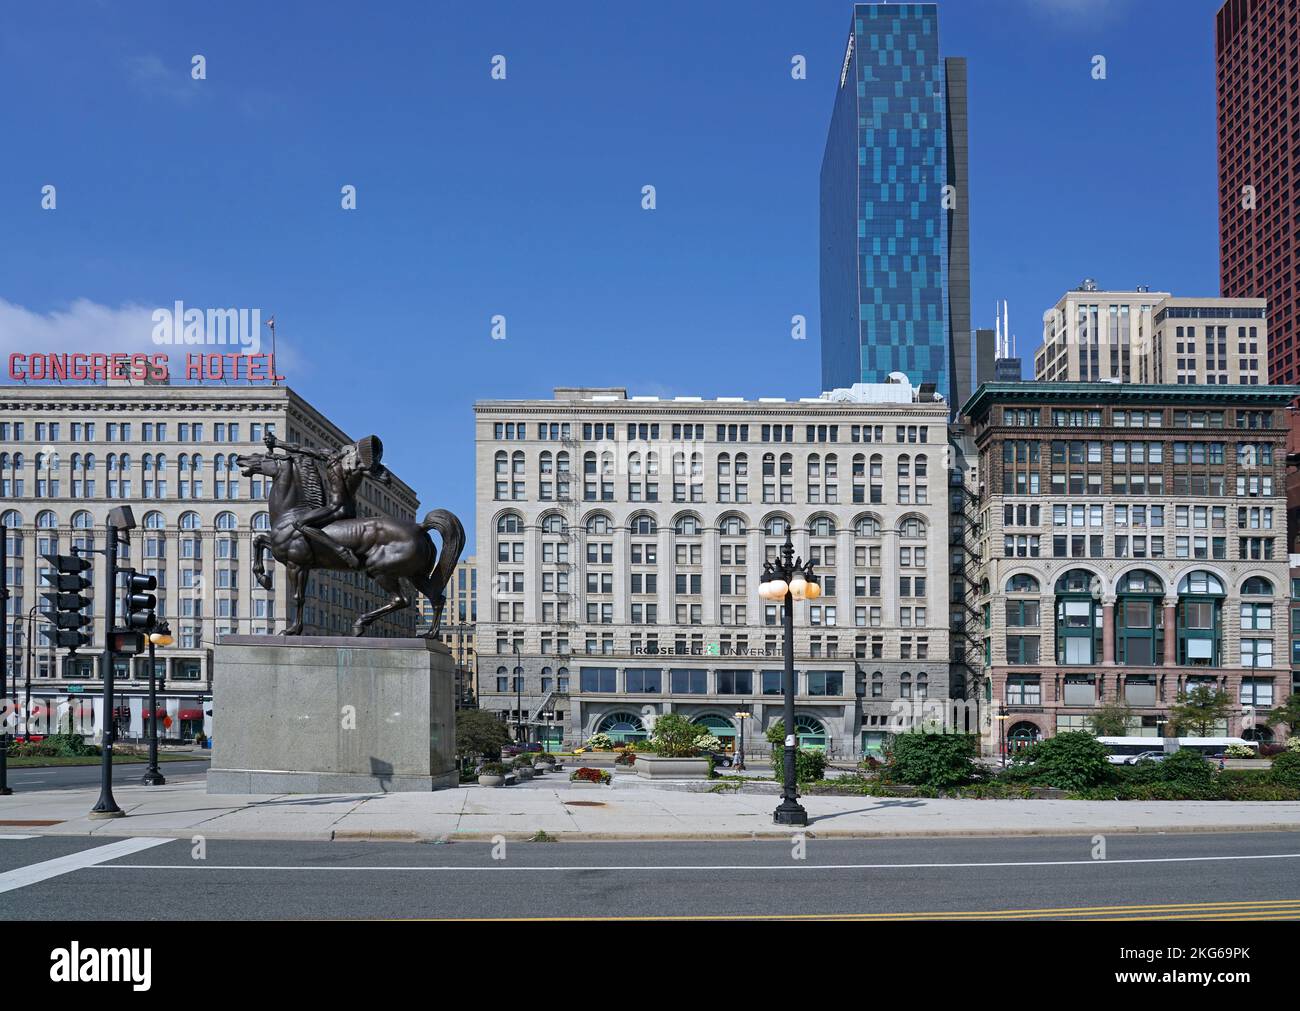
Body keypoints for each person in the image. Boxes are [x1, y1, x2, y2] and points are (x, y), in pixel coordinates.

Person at [264, 431, 391, 567]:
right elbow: (301, 449)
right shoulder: (336, 457)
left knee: (298, 524)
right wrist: (277, 443)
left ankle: (341, 551)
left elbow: (384, 477)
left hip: (337, 510)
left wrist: (277, 443)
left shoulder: (338, 459)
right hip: (343, 509)